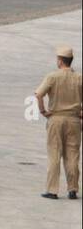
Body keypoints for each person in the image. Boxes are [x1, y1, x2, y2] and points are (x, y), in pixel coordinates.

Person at [35, 45, 82, 199]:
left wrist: (43, 112)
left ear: (60, 61)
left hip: (56, 118)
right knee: (73, 155)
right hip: (74, 120)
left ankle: (52, 190)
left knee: (54, 154)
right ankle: (73, 189)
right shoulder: (79, 78)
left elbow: (39, 95)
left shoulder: (52, 77)